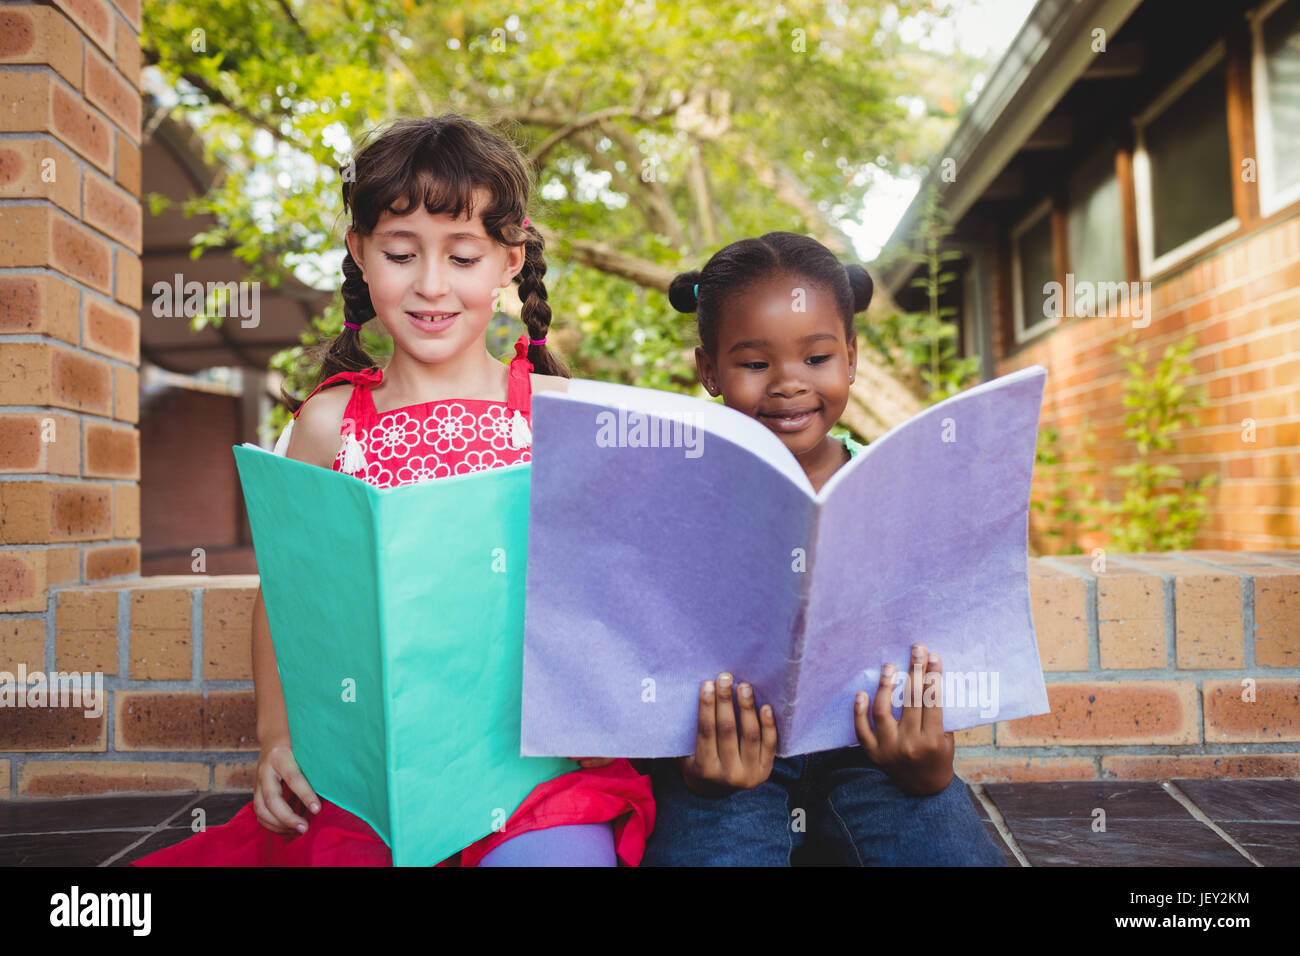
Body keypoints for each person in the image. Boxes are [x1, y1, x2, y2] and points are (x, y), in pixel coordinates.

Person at [133, 114, 654, 867]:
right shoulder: (330, 423)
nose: (431, 285)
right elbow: (288, 596)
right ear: (361, 254)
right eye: (401, 254)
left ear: (510, 261)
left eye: (464, 256)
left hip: (533, 777)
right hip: (373, 782)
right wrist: (275, 738)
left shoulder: (555, 415)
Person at [640, 232, 1005, 866]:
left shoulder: (897, 489)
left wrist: (931, 765)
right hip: (732, 754)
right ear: (708, 370)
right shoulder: (677, 497)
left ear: (852, 358)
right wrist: (694, 770)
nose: (788, 384)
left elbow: (936, 629)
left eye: (817, 359)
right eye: (754, 364)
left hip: (873, 750)